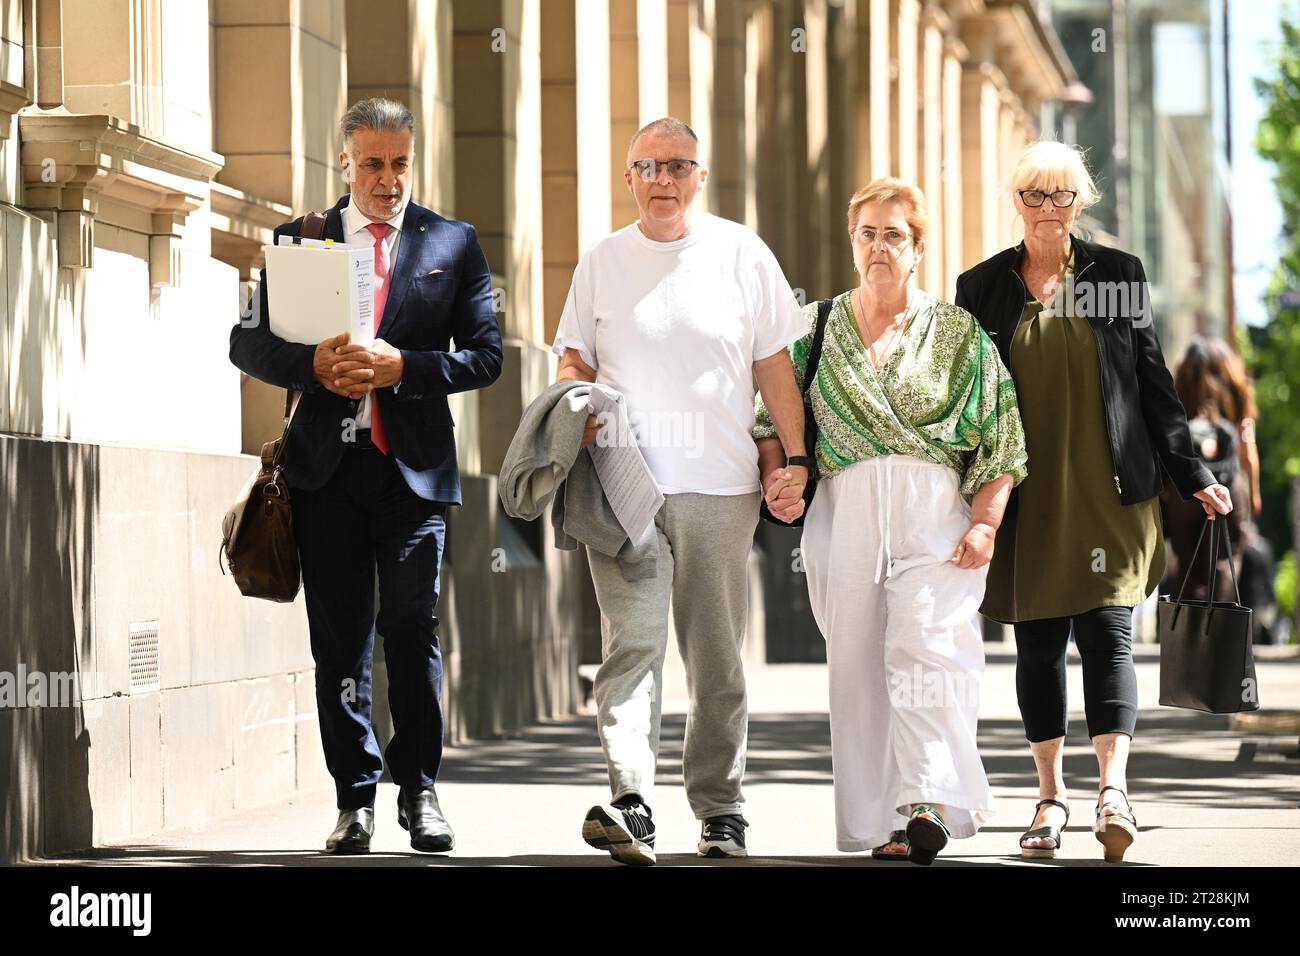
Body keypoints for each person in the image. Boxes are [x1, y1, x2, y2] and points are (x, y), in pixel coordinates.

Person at [229, 98, 503, 855]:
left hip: (411, 474)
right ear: (343, 163)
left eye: (400, 164)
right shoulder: (301, 241)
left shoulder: (453, 241)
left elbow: (486, 353)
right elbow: (245, 342)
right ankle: (355, 799)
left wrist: (404, 367)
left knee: (412, 626)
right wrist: (312, 365)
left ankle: (419, 788)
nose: (388, 179)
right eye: (373, 164)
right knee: (340, 642)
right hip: (324, 474)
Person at [955, 140, 1232, 864]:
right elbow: (967, 402)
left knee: (1107, 636)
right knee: (1039, 645)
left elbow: (1154, 385)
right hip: (1024, 499)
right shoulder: (980, 287)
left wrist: (1193, 472)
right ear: (1016, 202)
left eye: (1063, 196)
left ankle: (1114, 791)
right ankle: (1049, 795)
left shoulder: (1117, 277)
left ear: (1083, 203)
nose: (1049, 210)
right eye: (1034, 196)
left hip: (1110, 496)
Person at [552, 117, 808, 865]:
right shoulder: (601, 261)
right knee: (631, 647)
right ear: (627, 177)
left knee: (716, 656)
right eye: (647, 166)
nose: (662, 179)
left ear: (700, 175)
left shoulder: (741, 253)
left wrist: (793, 460)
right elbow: (574, 360)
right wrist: (577, 411)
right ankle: (632, 800)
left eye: (677, 165)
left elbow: (775, 372)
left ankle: (721, 809)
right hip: (622, 486)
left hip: (720, 489)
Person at [755, 177, 1027, 864]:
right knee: (858, 664)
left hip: (933, 511)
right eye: (868, 233)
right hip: (846, 512)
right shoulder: (812, 328)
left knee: (926, 645)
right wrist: (779, 474)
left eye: (894, 235)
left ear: (918, 248)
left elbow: (1001, 437)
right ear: (854, 242)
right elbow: (770, 418)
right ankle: (884, 823)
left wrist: (985, 523)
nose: (879, 246)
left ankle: (927, 799)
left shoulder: (958, 332)